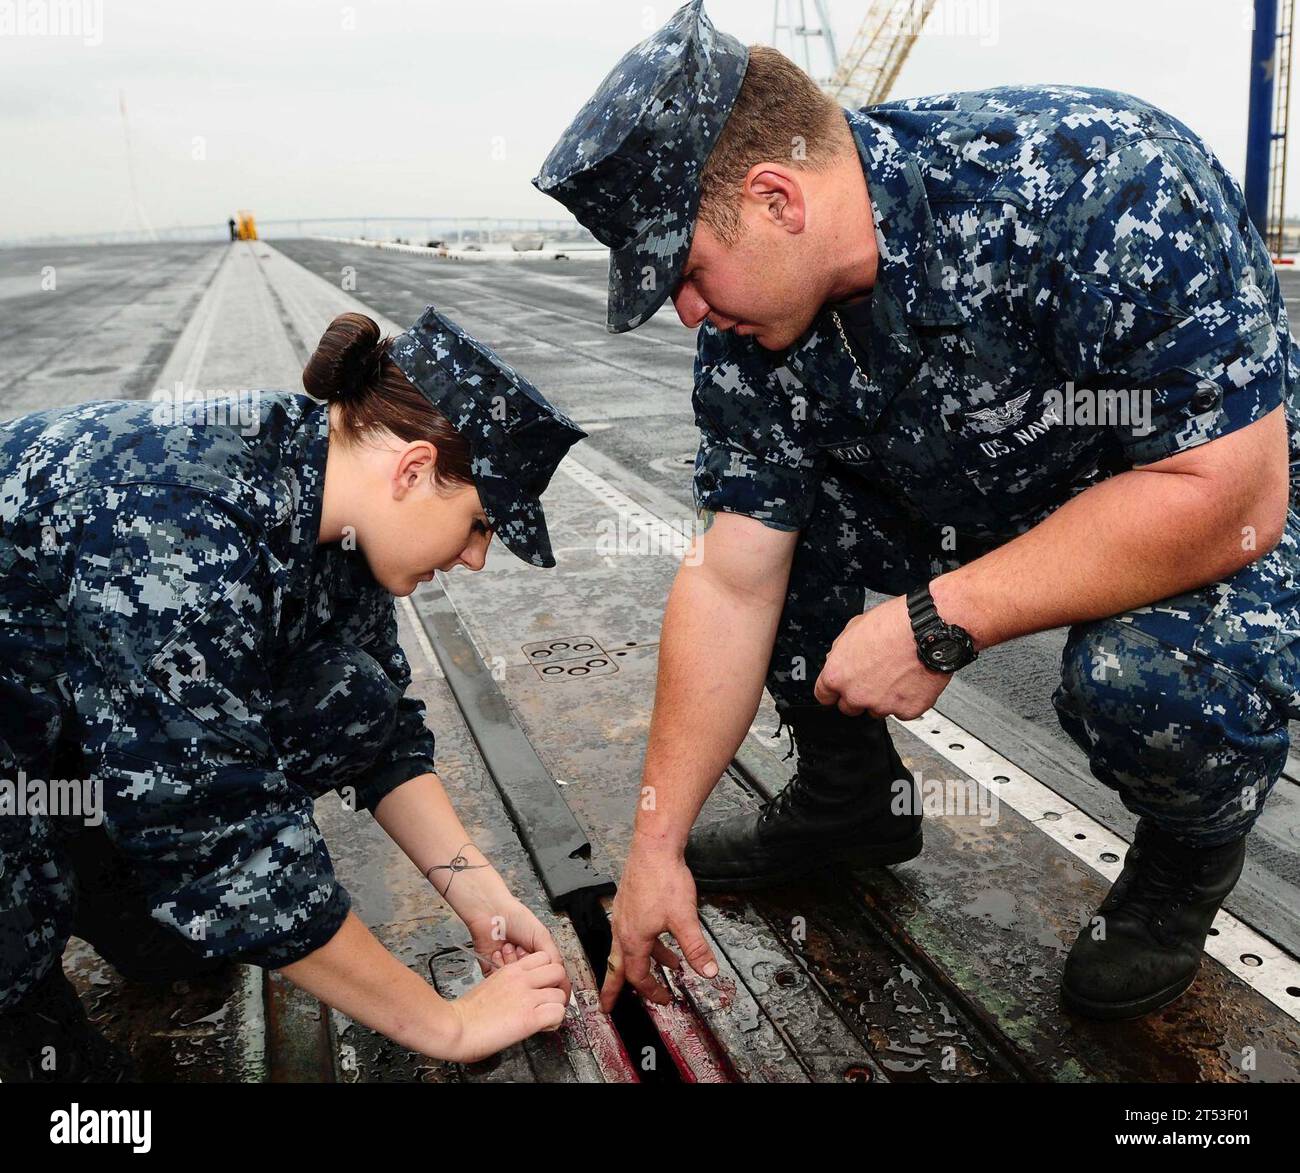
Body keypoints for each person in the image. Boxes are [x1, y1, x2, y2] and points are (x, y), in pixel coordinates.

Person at [533, 0, 1299, 1021]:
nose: (686, 311)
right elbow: (731, 576)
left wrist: (937, 621)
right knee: (771, 535)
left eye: (684, 271)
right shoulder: (753, 329)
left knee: (1154, 684)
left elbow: (1230, 496)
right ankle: (850, 802)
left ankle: (1185, 858)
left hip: (1190, 494)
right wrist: (653, 850)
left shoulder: (1098, 179)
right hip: (965, 492)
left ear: (775, 198)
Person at [0, 305, 585, 1080]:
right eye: (479, 524)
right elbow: (221, 832)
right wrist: (445, 1022)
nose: (477, 558)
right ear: (413, 470)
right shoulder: (179, 524)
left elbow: (384, 739)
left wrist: (482, 896)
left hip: (59, 709)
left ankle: (115, 881)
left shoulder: (332, 502)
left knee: (351, 696)